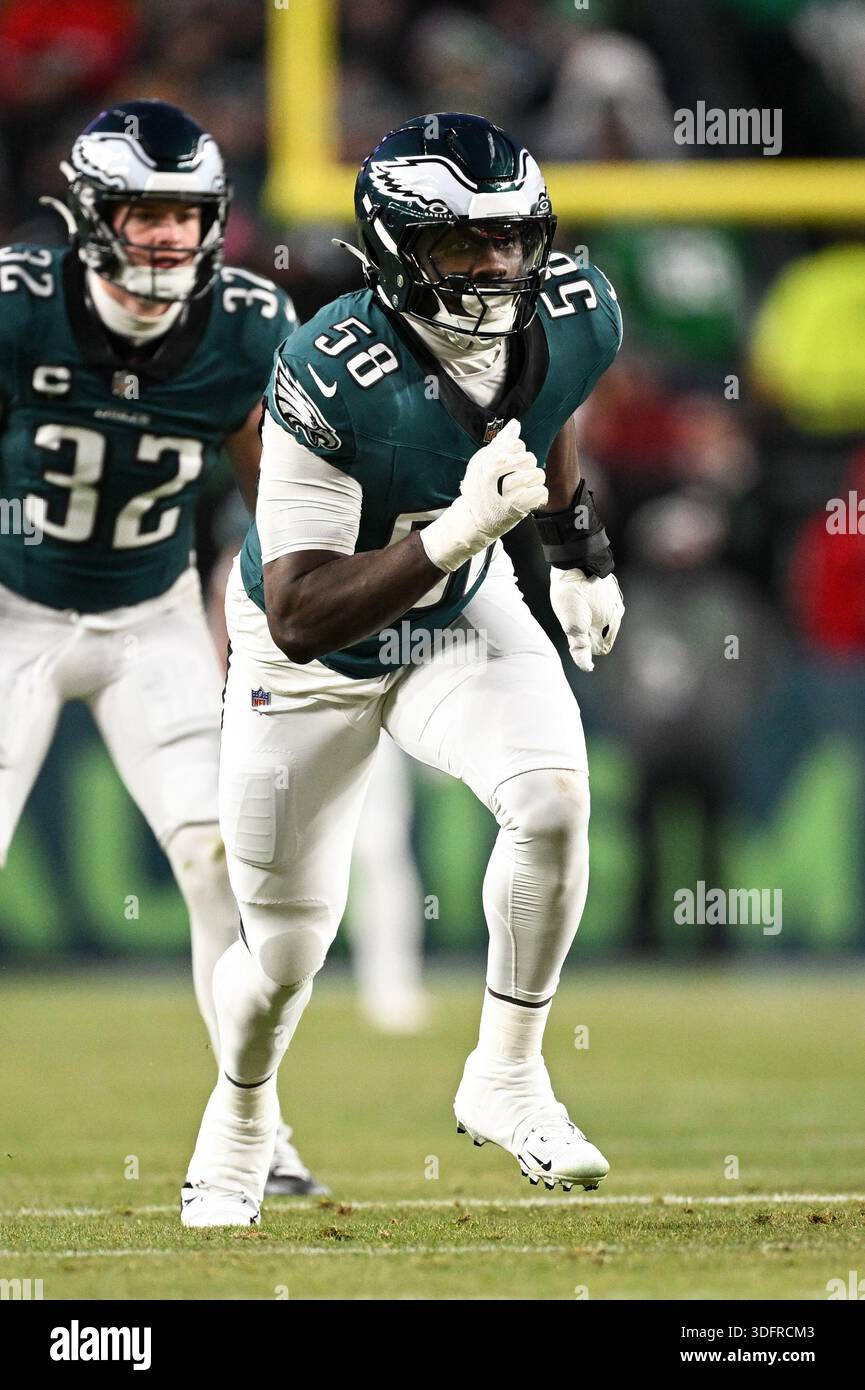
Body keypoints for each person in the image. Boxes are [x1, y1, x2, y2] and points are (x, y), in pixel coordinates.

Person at [181, 112, 625, 1228]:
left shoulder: (573, 308)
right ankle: (238, 1119)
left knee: (555, 802)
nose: (494, 267)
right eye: (460, 245)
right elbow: (296, 614)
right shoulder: (332, 369)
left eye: (510, 238)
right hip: (318, 663)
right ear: (393, 251)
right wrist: (452, 535)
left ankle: (508, 1071)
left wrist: (576, 551)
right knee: (284, 952)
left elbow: (547, 400)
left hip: (459, 625)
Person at [0, 98, 324, 1197]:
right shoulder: (17, 303)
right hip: (13, 615)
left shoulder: (247, 323)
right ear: (90, 215)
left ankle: (254, 1128)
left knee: (221, 864)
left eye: (187, 215)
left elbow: (274, 494)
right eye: (143, 211)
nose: (169, 239)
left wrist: (267, 619)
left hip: (153, 616)